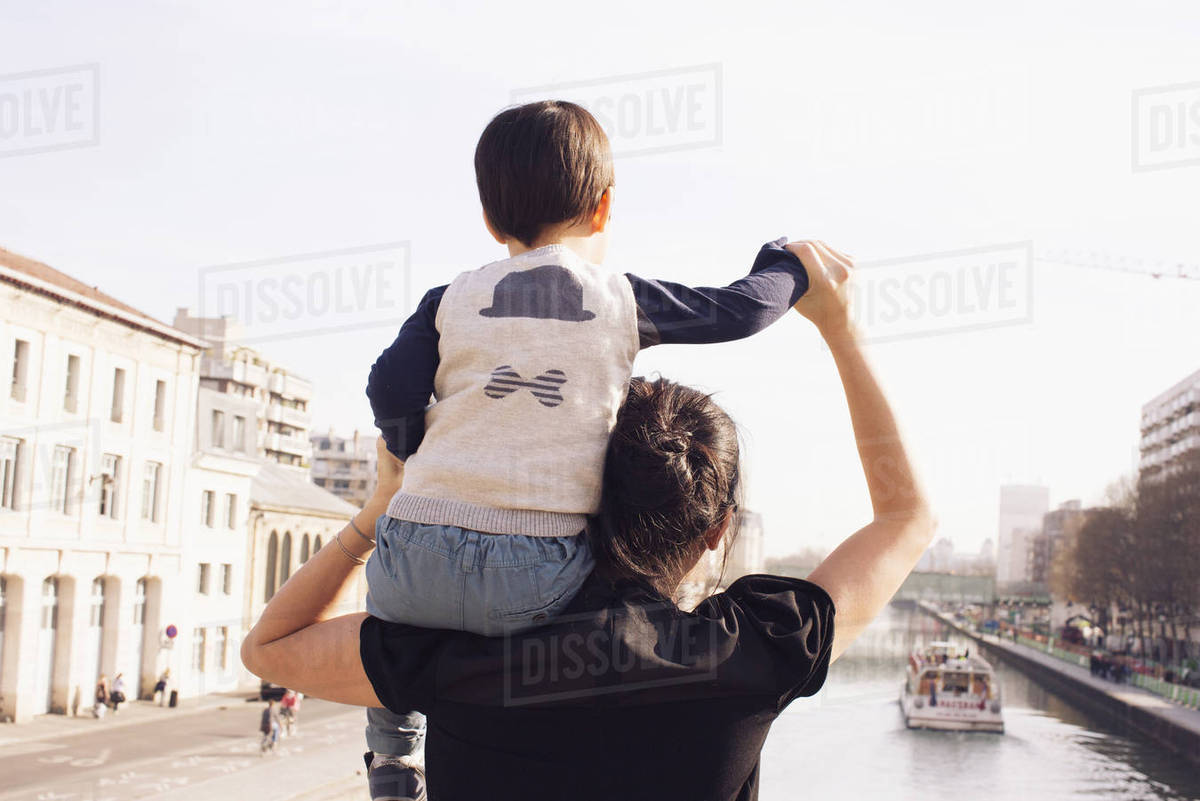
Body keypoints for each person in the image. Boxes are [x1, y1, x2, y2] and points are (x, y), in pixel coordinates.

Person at [242, 240, 936, 801]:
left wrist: (375, 513)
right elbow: (907, 517)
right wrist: (842, 327)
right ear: (717, 529)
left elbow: (270, 648)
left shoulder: (469, 646)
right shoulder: (748, 654)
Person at [358, 100, 812, 797]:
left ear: (490, 220)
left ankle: (393, 758)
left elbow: (389, 385)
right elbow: (743, 309)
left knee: (389, 631)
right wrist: (786, 263)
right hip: (539, 581)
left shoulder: (447, 299)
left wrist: (412, 444)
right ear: (602, 209)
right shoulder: (617, 299)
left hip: (410, 558)